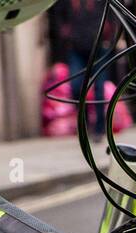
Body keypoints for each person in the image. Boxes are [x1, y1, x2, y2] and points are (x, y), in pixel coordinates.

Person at [50, 0, 114, 134]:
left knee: (99, 88)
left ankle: (100, 127)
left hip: (99, 46)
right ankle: (84, 124)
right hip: (76, 47)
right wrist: (65, 33)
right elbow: (58, 14)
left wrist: (108, 33)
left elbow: (112, 13)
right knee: (76, 86)